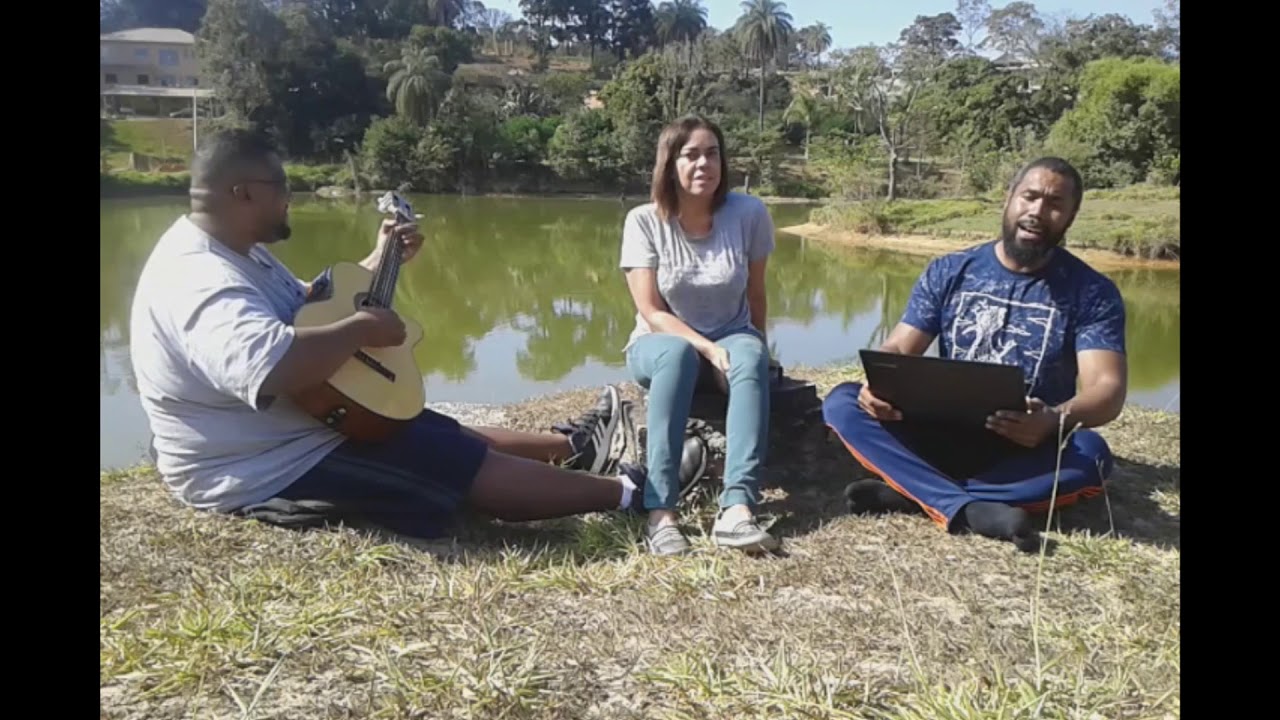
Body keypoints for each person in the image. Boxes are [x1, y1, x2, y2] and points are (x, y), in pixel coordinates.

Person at [129, 128, 694, 540]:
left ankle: (576, 447)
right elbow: (271, 369)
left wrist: (379, 261)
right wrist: (361, 329)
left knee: (432, 426)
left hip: (304, 425)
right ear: (240, 194)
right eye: (279, 186)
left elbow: (305, 309)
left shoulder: (241, 252)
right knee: (445, 459)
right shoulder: (197, 276)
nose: (289, 196)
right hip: (260, 462)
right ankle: (633, 492)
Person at [821, 157, 1127, 552]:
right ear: (1009, 199)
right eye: (1029, 196)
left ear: (1071, 215)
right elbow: (899, 346)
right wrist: (876, 384)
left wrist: (1053, 420)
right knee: (844, 401)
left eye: (1054, 203)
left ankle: (914, 492)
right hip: (937, 431)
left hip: (1025, 444)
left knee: (1093, 455)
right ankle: (966, 508)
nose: (1037, 211)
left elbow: (1107, 387)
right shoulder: (951, 270)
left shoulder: (1092, 291)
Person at [619, 115, 779, 556]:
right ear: (670, 164)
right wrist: (705, 346)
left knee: (748, 357)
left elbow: (757, 293)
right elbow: (650, 311)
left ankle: (737, 508)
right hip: (659, 343)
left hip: (731, 336)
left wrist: (759, 349)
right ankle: (661, 512)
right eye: (691, 155)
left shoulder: (749, 213)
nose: (703, 164)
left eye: (712, 153)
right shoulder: (644, 221)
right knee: (677, 354)